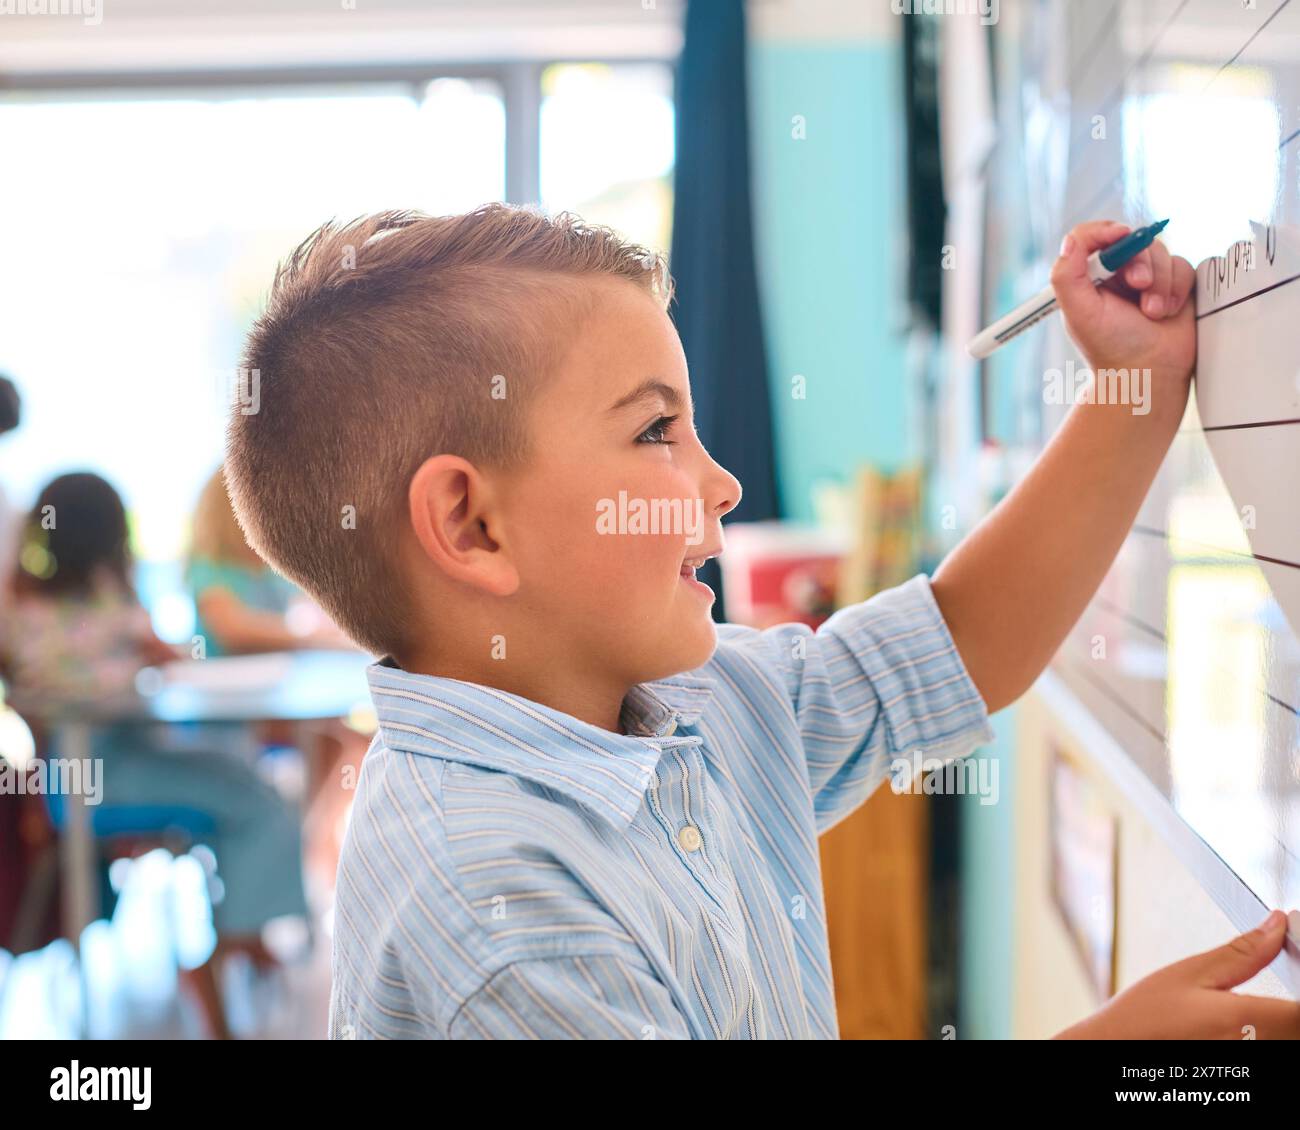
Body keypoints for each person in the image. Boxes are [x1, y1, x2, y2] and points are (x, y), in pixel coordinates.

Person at [223, 205, 1297, 1039]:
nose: (724, 481)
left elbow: (962, 641)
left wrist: (1135, 388)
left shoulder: (690, 696)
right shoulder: (495, 904)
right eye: (657, 430)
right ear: (473, 524)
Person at [3, 471, 310, 1039]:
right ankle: (230, 951)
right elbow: (172, 664)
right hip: (106, 780)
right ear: (112, 536)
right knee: (256, 797)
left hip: (68, 783)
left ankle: (234, 947)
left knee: (242, 785)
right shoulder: (112, 599)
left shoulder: (18, 603)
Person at [186, 466, 366, 887]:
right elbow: (235, 630)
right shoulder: (210, 569)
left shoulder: (266, 572)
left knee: (350, 745)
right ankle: (308, 851)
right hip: (227, 715)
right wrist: (314, 640)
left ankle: (306, 849)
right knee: (340, 745)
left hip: (273, 707)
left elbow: (318, 604)